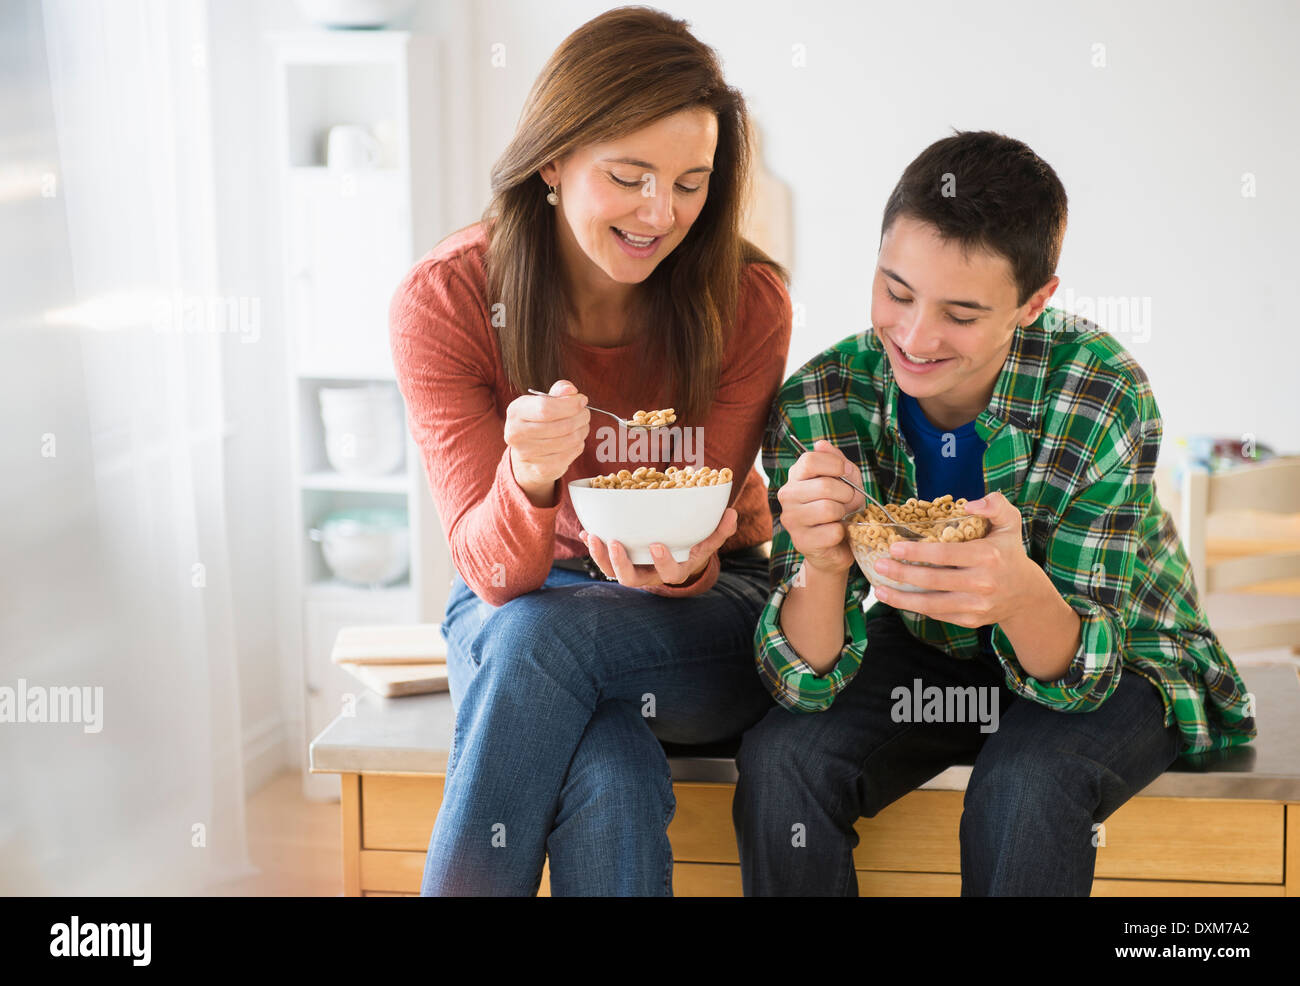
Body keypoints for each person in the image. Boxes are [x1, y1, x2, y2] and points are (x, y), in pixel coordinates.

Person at [733, 130, 1257, 896]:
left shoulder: (1101, 391)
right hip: (935, 644)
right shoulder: (823, 399)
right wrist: (822, 562)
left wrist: (1014, 591)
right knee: (783, 763)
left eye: (962, 313)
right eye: (897, 291)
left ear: (1035, 301)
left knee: (1025, 783)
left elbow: (1076, 679)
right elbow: (803, 681)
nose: (915, 337)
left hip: (1114, 649)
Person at [389, 7, 791, 896]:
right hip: (517, 605)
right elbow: (491, 572)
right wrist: (528, 476)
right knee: (605, 767)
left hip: (702, 611)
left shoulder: (748, 299)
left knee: (539, 646)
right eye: (629, 176)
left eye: (691, 183)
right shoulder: (448, 300)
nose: (663, 213)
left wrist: (679, 563)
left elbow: (701, 510)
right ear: (552, 158)